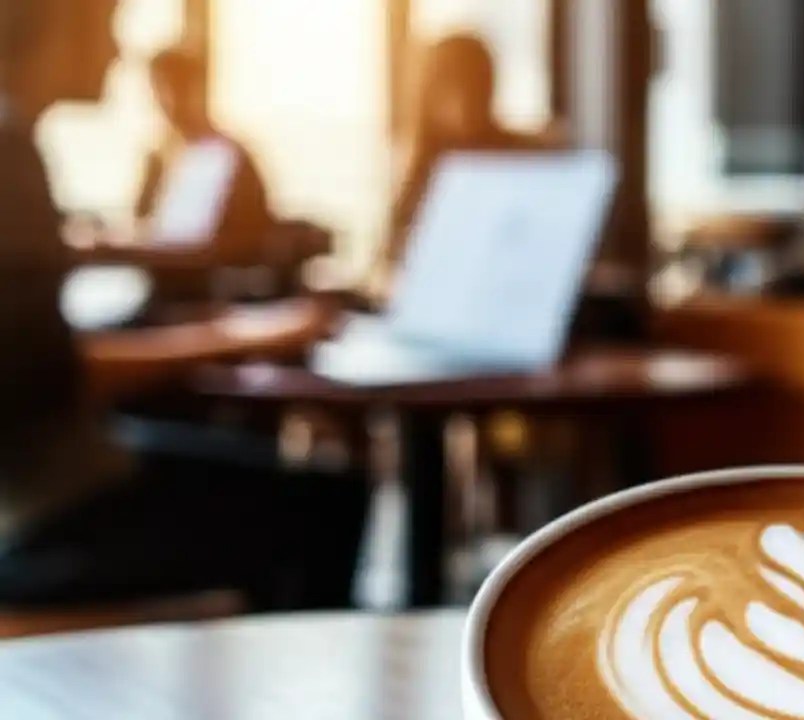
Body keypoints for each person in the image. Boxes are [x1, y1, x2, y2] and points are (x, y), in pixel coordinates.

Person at [0, 0, 366, 609]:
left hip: (40, 486)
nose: (117, 52)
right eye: (107, 26)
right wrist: (244, 335)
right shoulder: (8, 151)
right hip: (41, 509)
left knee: (270, 476)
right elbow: (39, 375)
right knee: (329, 506)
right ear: (57, 25)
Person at [379, 35, 554, 286]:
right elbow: (393, 260)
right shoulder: (420, 171)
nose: (463, 101)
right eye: (452, 87)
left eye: (474, 87)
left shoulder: (522, 159)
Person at [135, 48, 273, 264]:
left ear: (197, 89)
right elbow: (142, 224)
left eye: (176, 88)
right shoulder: (158, 159)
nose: (169, 101)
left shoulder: (232, 158)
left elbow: (252, 236)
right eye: (160, 89)